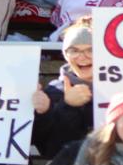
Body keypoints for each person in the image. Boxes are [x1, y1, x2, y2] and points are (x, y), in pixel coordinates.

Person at [28, 14, 94, 156]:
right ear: (65, 54)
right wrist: (67, 107)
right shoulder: (53, 92)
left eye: (91, 50)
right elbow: (51, 151)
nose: (82, 56)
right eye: (73, 50)